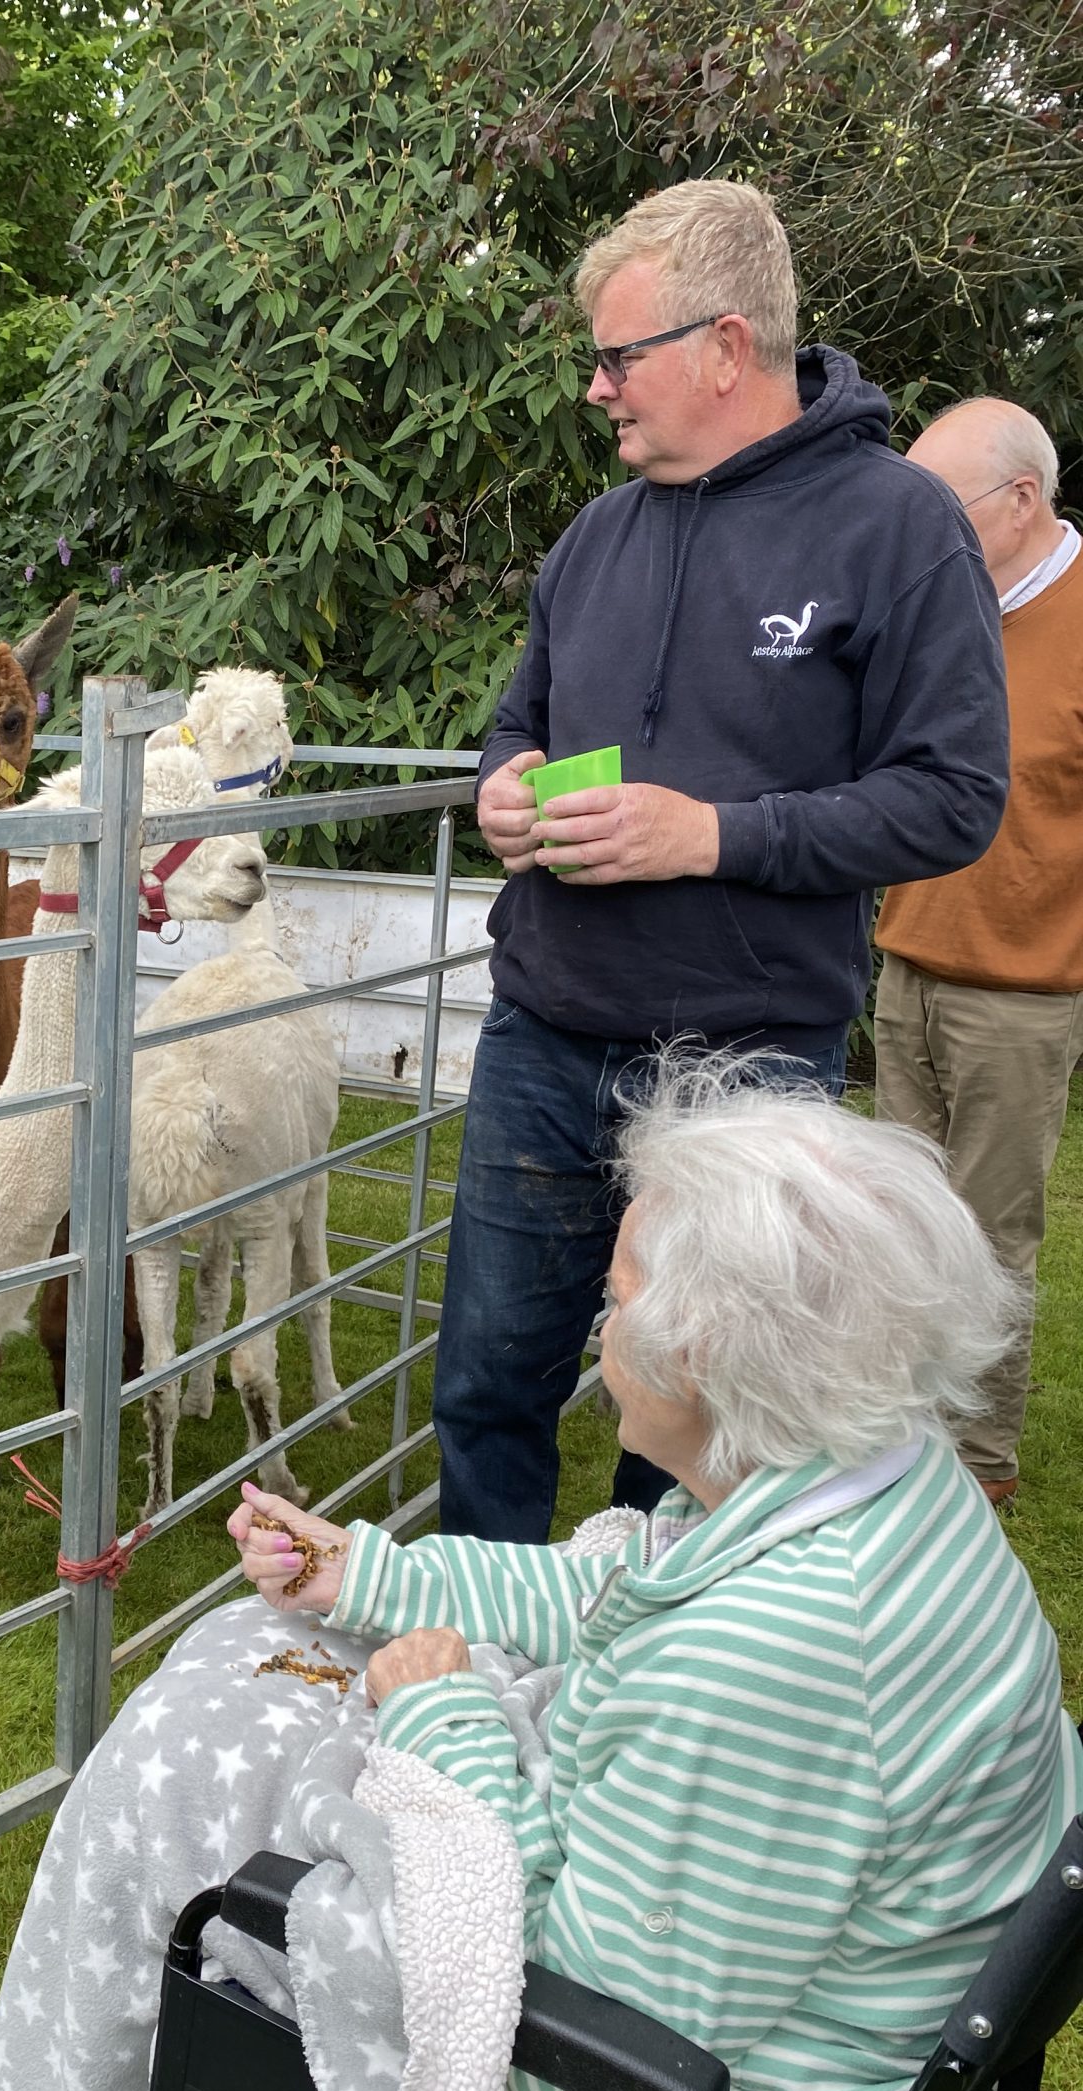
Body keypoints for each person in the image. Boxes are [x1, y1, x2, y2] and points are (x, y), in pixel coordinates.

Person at [0, 1063, 1083, 2091]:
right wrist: (365, 1576)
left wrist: (445, 1720)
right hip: (815, 2019)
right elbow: (605, 1588)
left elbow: (582, 2062)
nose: (601, 1332)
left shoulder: (770, 1660)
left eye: (618, 1304)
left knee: (194, 1788)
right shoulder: (875, 1474)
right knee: (267, 1655)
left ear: (701, 1352)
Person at [437, 178, 1010, 1542]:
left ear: (725, 347)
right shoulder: (595, 539)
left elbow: (954, 799)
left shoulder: (899, 529)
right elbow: (520, 721)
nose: (596, 391)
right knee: (486, 1384)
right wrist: (501, 790)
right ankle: (475, 1676)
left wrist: (712, 835)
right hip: (547, 1032)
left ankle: (660, 1695)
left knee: (708, 1422)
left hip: (750, 1066)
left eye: (617, 358)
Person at [873, 398, 1083, 1509]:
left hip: (1023, 1000)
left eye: (938, 507)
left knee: (989, 1239)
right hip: (907, 966)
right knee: (896, 1225)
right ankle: (888, 1443)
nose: (922, 532)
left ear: (1021, 500)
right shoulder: (942, 607)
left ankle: (976, 1470)